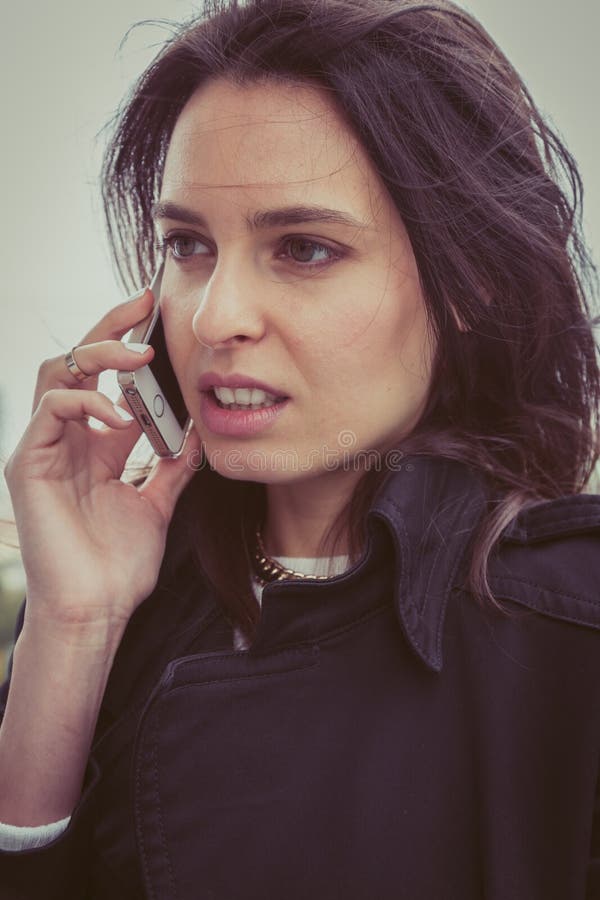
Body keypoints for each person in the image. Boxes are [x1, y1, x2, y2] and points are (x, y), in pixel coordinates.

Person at [1, 0, 599, 896]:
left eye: (305, 249)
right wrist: (72, 623)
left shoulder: (569, 628)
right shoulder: (133, 591)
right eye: (188, 245)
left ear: (468, 279)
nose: (214, 317)